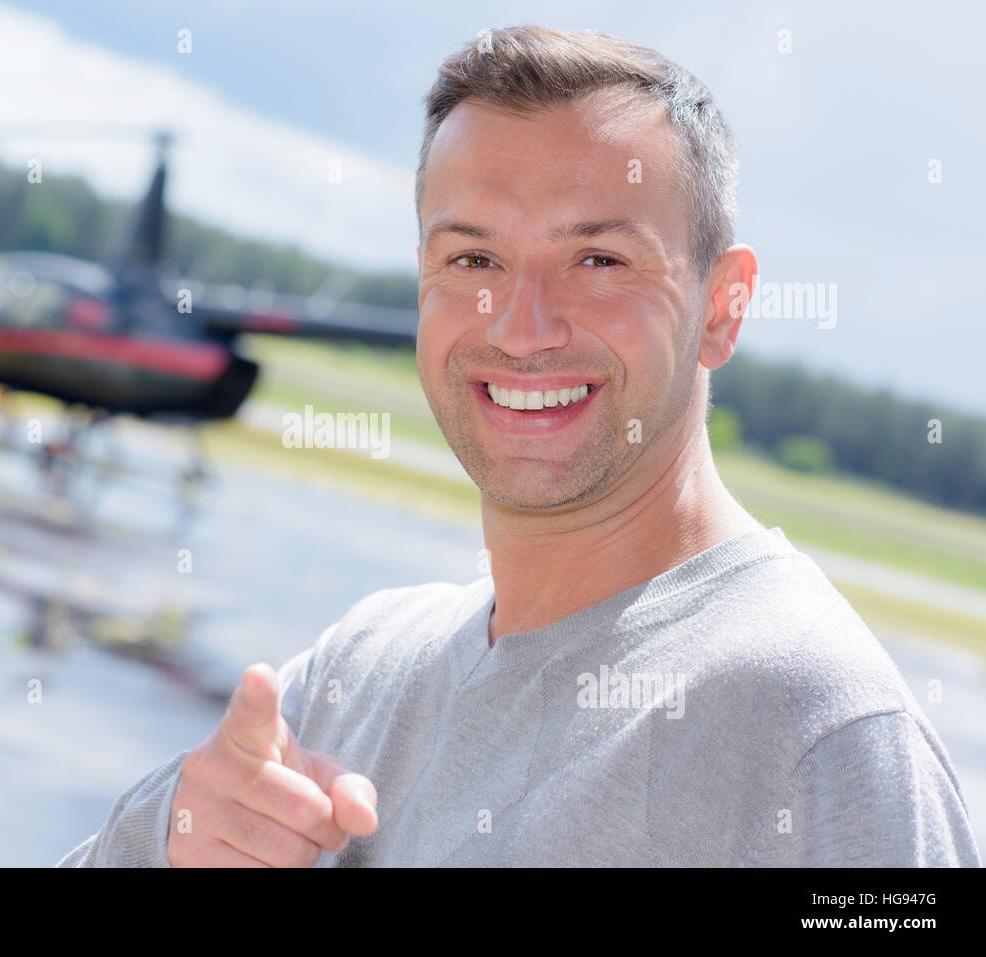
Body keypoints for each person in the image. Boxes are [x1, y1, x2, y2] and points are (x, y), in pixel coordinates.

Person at [57, 25, 981, 867]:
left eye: (600, 260)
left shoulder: (819, 728)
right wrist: (170, 829)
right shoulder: (359, 666)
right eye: (473, 260)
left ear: (723, 308)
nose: (524, 327)